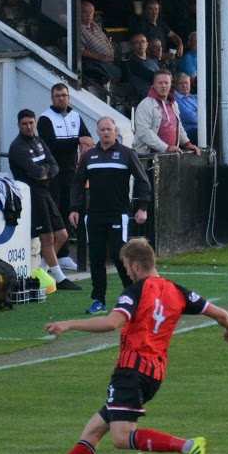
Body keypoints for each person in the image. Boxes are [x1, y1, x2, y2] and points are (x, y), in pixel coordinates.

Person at [19, 237, 228, 454]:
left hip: (131, 371)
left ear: (136, 266)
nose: (125, 271)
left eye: (125, 266)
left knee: (121, 438)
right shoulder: (178, 291)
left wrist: (69, 324)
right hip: (153, 375)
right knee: (92, 432)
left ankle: (188, 446)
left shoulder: (136, 291)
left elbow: (113, 323)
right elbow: (221, 314)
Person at [71, 116, 152, 315]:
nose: (106, 133)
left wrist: (142, 207)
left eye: (109, 129)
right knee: (96, 258)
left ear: (115, 131)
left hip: (118, 215)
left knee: (119, 255)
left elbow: (143, 181)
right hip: (95, 215)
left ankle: (131, 297)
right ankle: (98, 300)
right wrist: (74, 208)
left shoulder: (126, 154)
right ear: (97, 132)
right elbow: (77, 183)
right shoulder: (89, 156)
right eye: (102, 129)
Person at [10, 108, 79, 290]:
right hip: (32, 195)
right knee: (47, 238)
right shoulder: (18, 147)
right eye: (24, 124)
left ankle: (41, 271)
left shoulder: (39, 140)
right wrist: (45, 172)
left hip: (45, 192)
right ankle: (60, 278)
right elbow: (35, 172)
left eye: (31, 123)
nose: (28, 127)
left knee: (62, 235)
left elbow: (53, 166)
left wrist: (45, 173)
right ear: (18, 126)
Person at [38, 82, 93, 272]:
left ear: (69, 97)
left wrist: (85, 143)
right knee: (53, 215)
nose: (62, 99)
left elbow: (87, 137)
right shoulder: (45, 119)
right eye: (58, 96)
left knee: (68, 212)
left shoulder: (76, 117)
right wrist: (77, 141)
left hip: (71, 172)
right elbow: (51, 145)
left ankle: (62, 255)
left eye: (64, 95)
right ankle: (48, 256)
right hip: (53, 174)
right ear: (52, 98)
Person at [132, 71, 198, 158]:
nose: (163, 86)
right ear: (153, 85)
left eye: (166, 83)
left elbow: (178, 126)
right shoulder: (145, 105)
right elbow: (143, 132)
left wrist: (187, 144)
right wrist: (166, 148)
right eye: (160, 83)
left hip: (169, 155)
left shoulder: (174, 103)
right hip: (148, 157)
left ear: (170, 85)